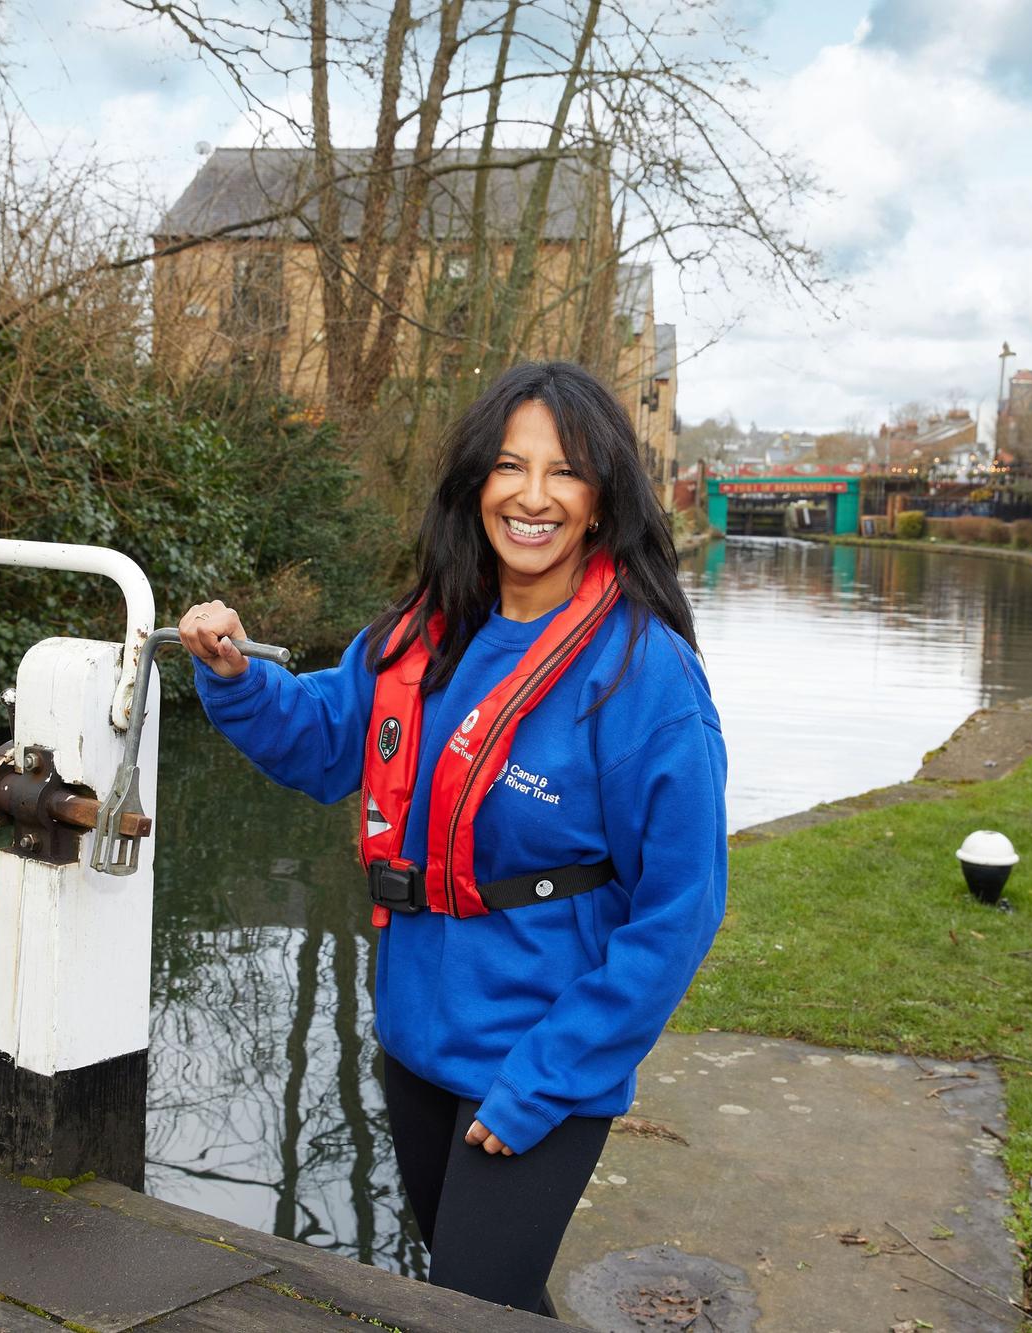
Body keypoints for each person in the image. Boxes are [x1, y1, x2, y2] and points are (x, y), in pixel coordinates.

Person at [179, 360, 727, 1317]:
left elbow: (680, 911)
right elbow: (324, 738)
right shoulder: (420, 632)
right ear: (477, 482)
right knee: (489, 1302)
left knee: (466, 1306)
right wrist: (235, 675)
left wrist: (546, 1080)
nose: (532, 496)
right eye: (510, 465)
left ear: (602, 499)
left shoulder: (647, 678)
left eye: (565, 471)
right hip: (417, 1049)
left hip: (538, 1064)